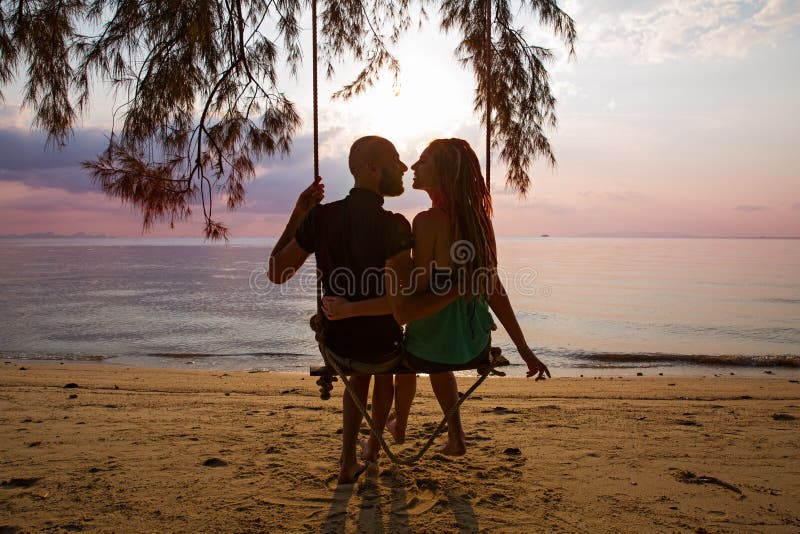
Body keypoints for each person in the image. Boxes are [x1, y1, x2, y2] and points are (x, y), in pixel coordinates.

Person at [322, 138, 550, 458]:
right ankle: (454, 438)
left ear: (443, 171)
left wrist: (353, 307)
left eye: (423, 161)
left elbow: (408, 300)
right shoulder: (478, 220)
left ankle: (390, 431)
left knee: (391, 354)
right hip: (472, 342)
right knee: (431, 347)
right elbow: (493, 288)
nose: (414, 167)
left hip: (434, 346)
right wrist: (524, 349)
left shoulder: (427, 222)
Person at [267, 136, 459, 483]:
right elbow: (401, 301)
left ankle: (348, 460)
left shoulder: (321, 218)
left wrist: (299, 215)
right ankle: (371, 445)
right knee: (385, 359)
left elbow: (277, 272)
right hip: (383, 347)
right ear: (371, 168)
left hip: (336, 347)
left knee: (361, 371)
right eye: (396, 160)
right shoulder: (396, 226)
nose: (403, 168)